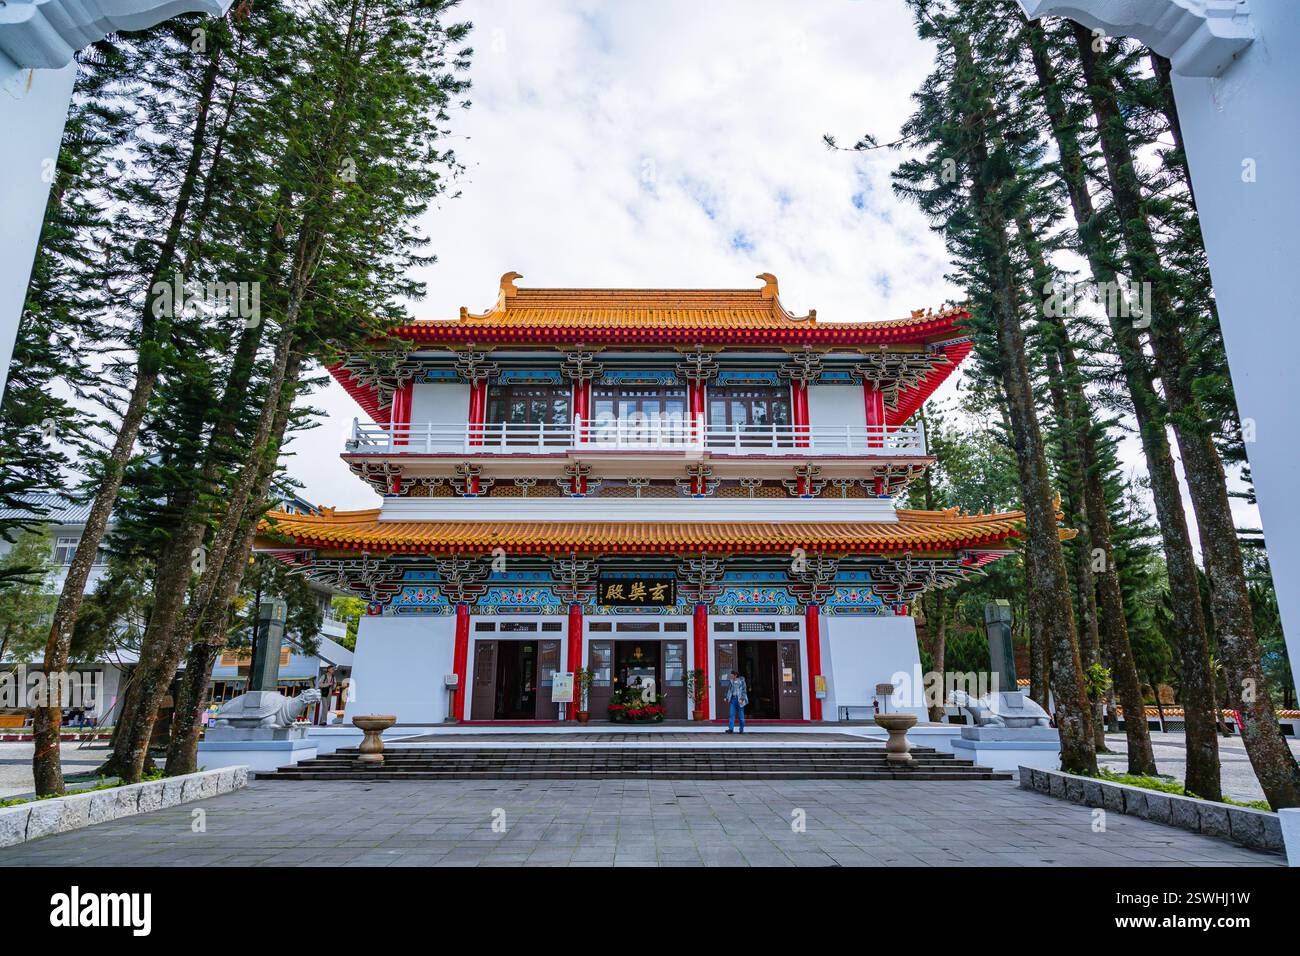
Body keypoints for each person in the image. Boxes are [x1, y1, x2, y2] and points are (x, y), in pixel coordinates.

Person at [724, 669, 747, 734]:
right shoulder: (731, 682)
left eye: (732, 675)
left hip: (740, 700)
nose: (731, 676)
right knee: (731, 714)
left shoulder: (742, 682)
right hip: (733, 700)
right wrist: (726, 697)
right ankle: (731, 729)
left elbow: (744, 691)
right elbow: (728, 690)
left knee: (741, 716)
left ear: (735, 675)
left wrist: (742, 699)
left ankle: (741, 729)